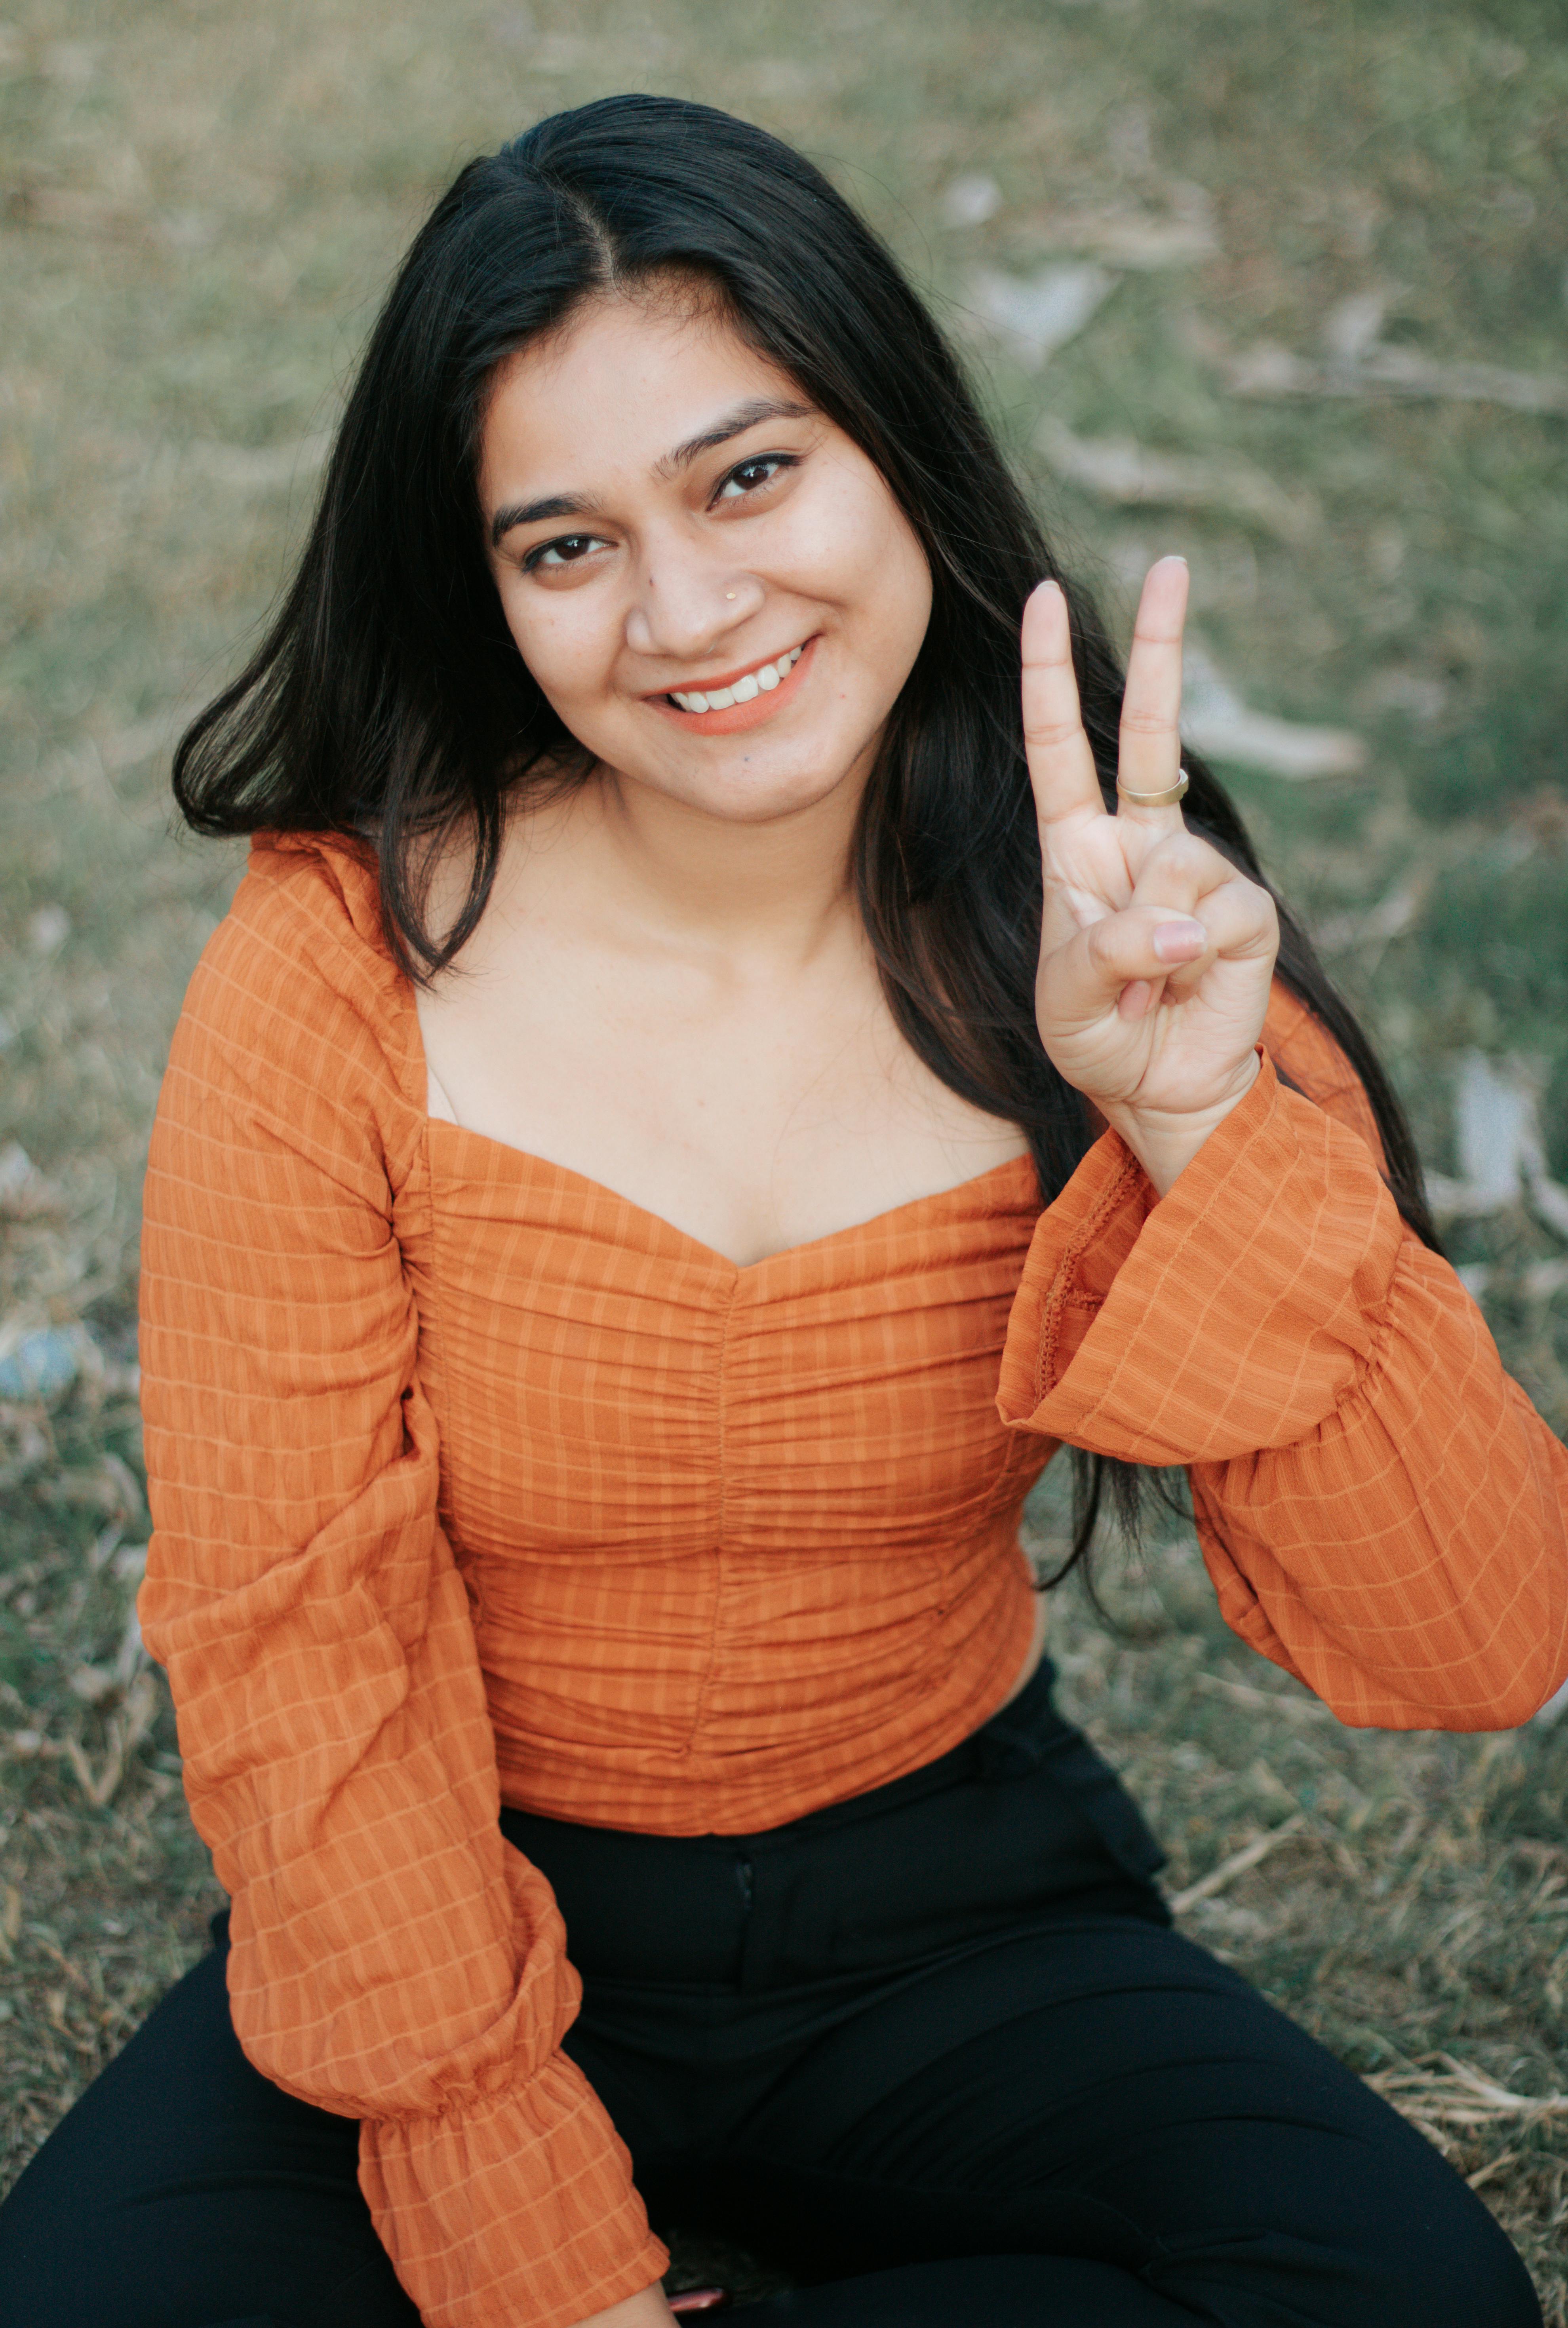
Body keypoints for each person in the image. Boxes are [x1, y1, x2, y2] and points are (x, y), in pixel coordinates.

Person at [1, 93, 1561, 2328]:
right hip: (454, 1878)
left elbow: (1473, 1638)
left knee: (1401, 2294)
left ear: (890, 447)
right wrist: (533, 2257)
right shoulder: (339, 965)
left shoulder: (1112, 925)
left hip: (946, 1907)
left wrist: (1204, 1125)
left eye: (749, 474)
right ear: (488, 592)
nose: (690, 608)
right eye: (567, 545)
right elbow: (295, 1646)